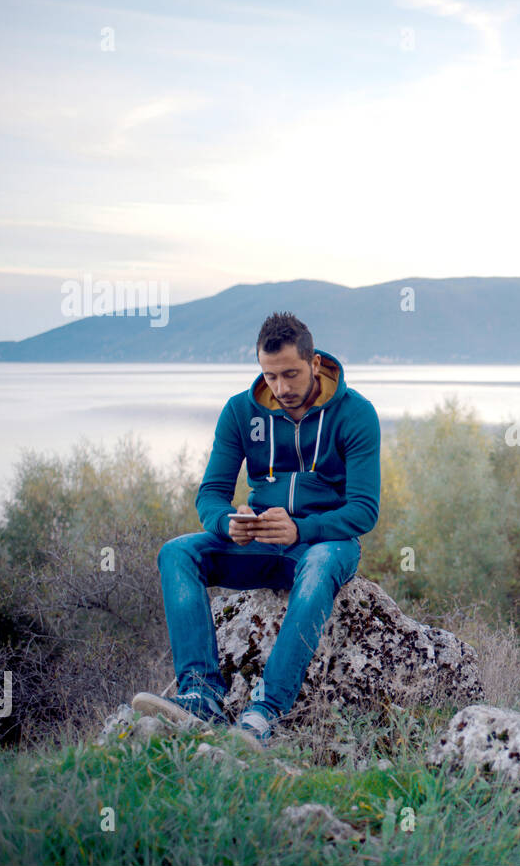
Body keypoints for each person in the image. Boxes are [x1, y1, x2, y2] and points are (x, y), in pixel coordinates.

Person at [133, 312, 381, 748]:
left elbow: (364, 510)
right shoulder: (239, 411)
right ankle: (201, 694)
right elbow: (210, 494)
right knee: (177, 553)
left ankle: (265, 712)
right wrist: (228, 524)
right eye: (270, 375)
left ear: (315, 364)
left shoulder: (356, 414)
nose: (281, 388)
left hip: (324, 546)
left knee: (321, 561)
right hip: (259, 546)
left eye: (291, 374)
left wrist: (302, 529)